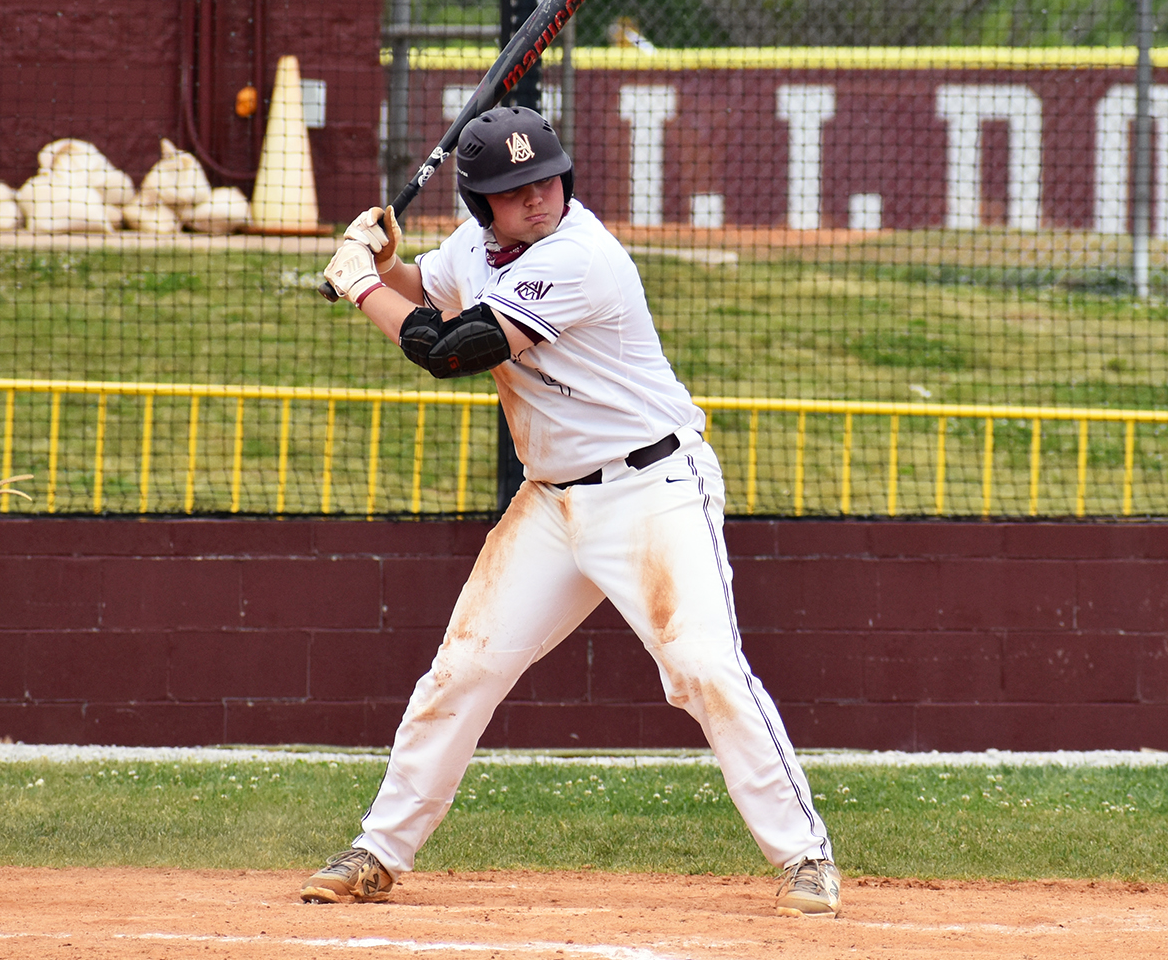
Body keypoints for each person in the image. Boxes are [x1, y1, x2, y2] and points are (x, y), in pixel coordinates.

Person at [308, 106, 840, 917]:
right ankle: (378, 850)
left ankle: (805, 856)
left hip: (652, 489)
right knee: (465, 666)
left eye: (548, 178)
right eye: (514, 189)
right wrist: (388, 262)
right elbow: (438, 290)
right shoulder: (476, 247)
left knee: (701, 665)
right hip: (552, 501)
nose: (539, 197)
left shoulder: (580, 257)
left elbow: (451, 351)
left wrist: (359, 286)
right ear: (482, 205)